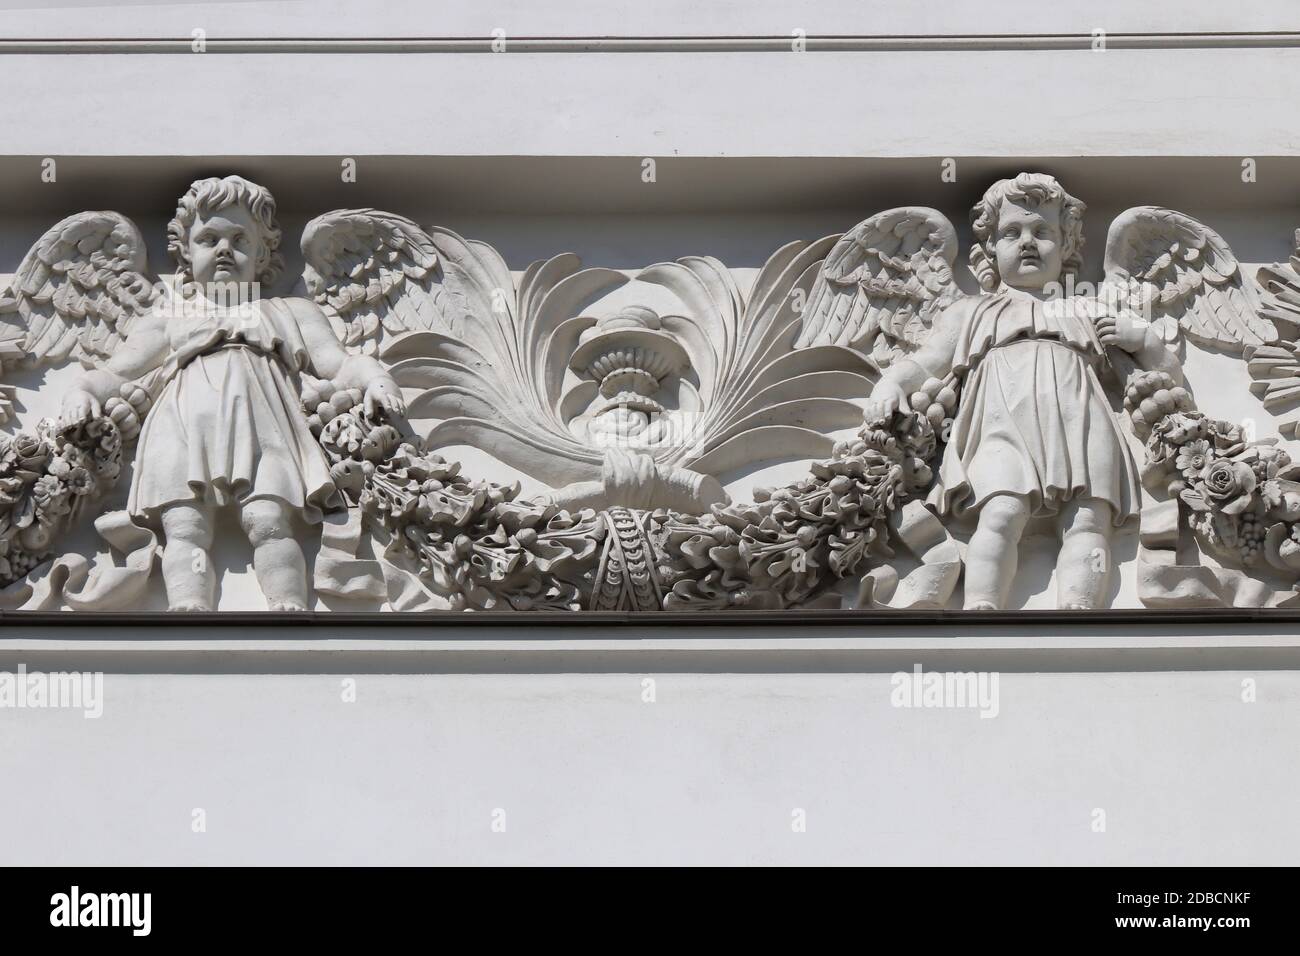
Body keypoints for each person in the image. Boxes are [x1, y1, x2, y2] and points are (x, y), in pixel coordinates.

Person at [61, 176, 405, 611]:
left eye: (240, 239)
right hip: (182, 426)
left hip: (265, 427)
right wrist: (82, 390)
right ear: (186, 251)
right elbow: (116, 371)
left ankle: (288, 605)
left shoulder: (289, 312)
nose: (224, 248)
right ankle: (189, 606)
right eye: (209, 238)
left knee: (269, 521)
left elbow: (338, 364)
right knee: (185, 525)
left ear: (262, 254)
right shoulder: (169, 317)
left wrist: (377, 379)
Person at [866, 174, 1179, 609]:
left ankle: (1079, 611)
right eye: (1012, 232)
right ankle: (982, 609)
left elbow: (1167, 380)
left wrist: (1143, 340)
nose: (1028, 242)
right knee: (999, 512)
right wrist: (892, 383)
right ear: (991, 246)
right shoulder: (971, 311)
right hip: (1001, 422)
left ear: (1067, 245)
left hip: (1081, 422)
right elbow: (926, 362)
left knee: (1089, 520)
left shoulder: (1088, 308)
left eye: (1043, 232)